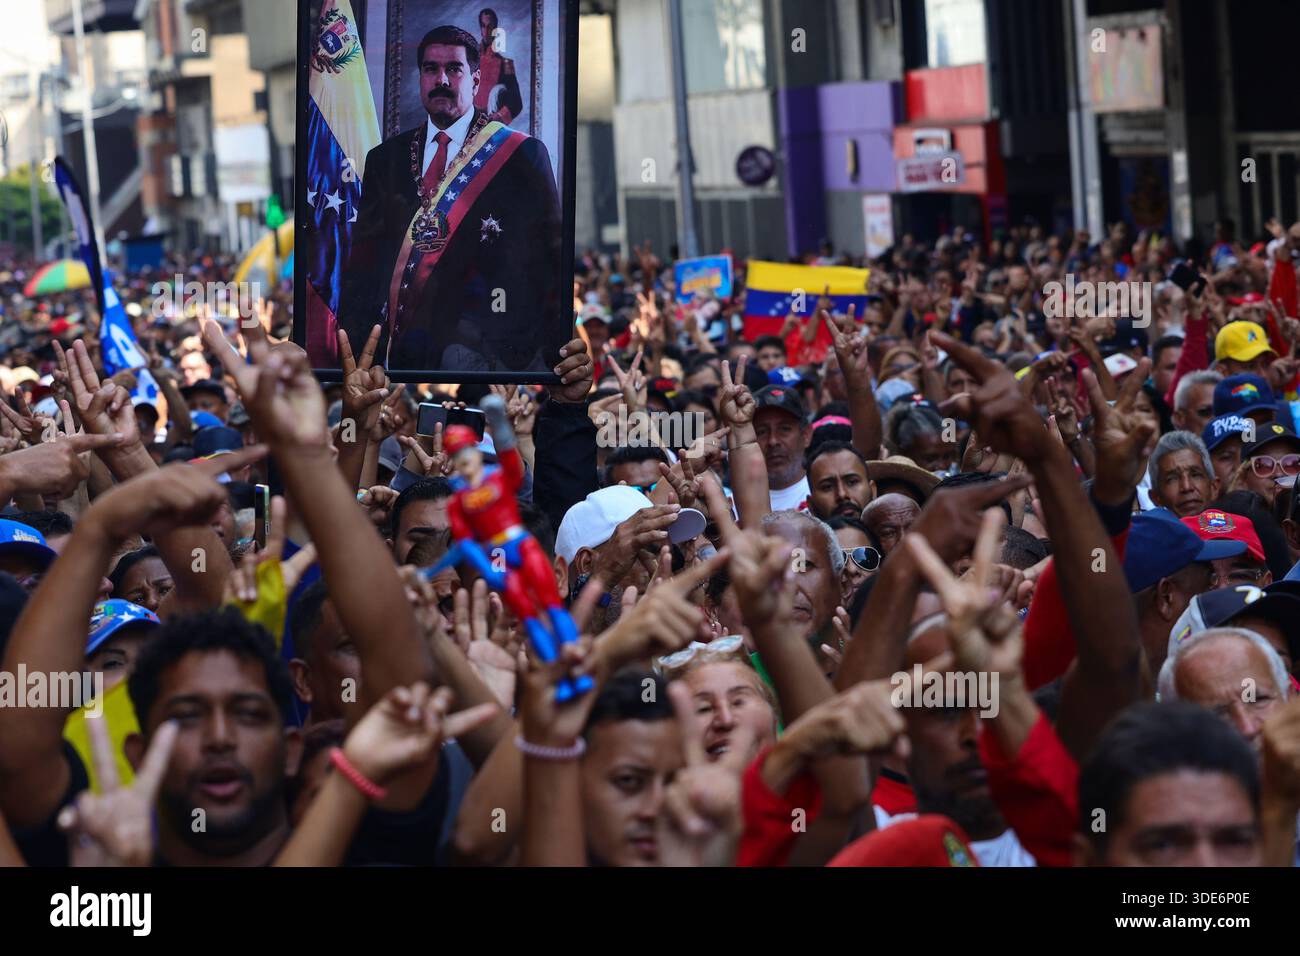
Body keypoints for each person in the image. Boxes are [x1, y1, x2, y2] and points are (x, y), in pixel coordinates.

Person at [339, 25, 562, 372]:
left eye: (454, 69)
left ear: (475, 81)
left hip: (491, 360)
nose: (441, 79)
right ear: (420, 79)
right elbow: (365, 269)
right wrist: (359, 356)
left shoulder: (523, 156)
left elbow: (550, 266)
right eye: (431, 69)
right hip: (402, 361)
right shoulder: (386, 160)